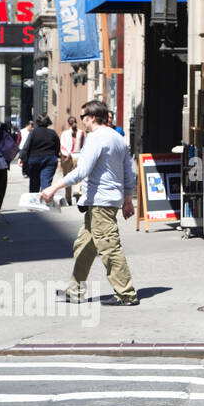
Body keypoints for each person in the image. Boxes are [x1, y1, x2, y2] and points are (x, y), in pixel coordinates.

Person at [41, 100, 140, 306]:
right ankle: (74, 291)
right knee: (83, 246)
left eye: (83, 117)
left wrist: (53, 187)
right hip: (105, 201)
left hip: (100, 202)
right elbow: (128, 173)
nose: (82, 122)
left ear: (92, 118)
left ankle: (126, 294)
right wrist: (128, 199)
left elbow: (81, 171)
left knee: (109, 247)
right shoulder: (117, 138)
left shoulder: (96, 138)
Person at [18, 116, 61, 194]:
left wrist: (21, 157)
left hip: (34, 159)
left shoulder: (33, 133)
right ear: (48, 123)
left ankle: (34, 202)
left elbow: (27, 146)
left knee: (34, 183)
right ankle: (45, 200)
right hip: (49, 159)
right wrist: (56, 155)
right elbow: (57, 146)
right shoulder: (52, 133)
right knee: (46, 182)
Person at [59, 115, 85, 205]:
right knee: (79, 175)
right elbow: (83, 145)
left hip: (69, 156)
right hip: (78, 156)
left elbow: (62, 145)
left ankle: (68, 197)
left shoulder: (65, 133)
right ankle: (78, 192)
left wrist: (67, 154)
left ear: (68, 123)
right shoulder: (81, 132)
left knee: (67, 176)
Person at [0, 121, 16, 224]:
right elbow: (11, 145)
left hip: (1, 163)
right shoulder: (1, 127)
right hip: (0, 164)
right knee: (0, 190)